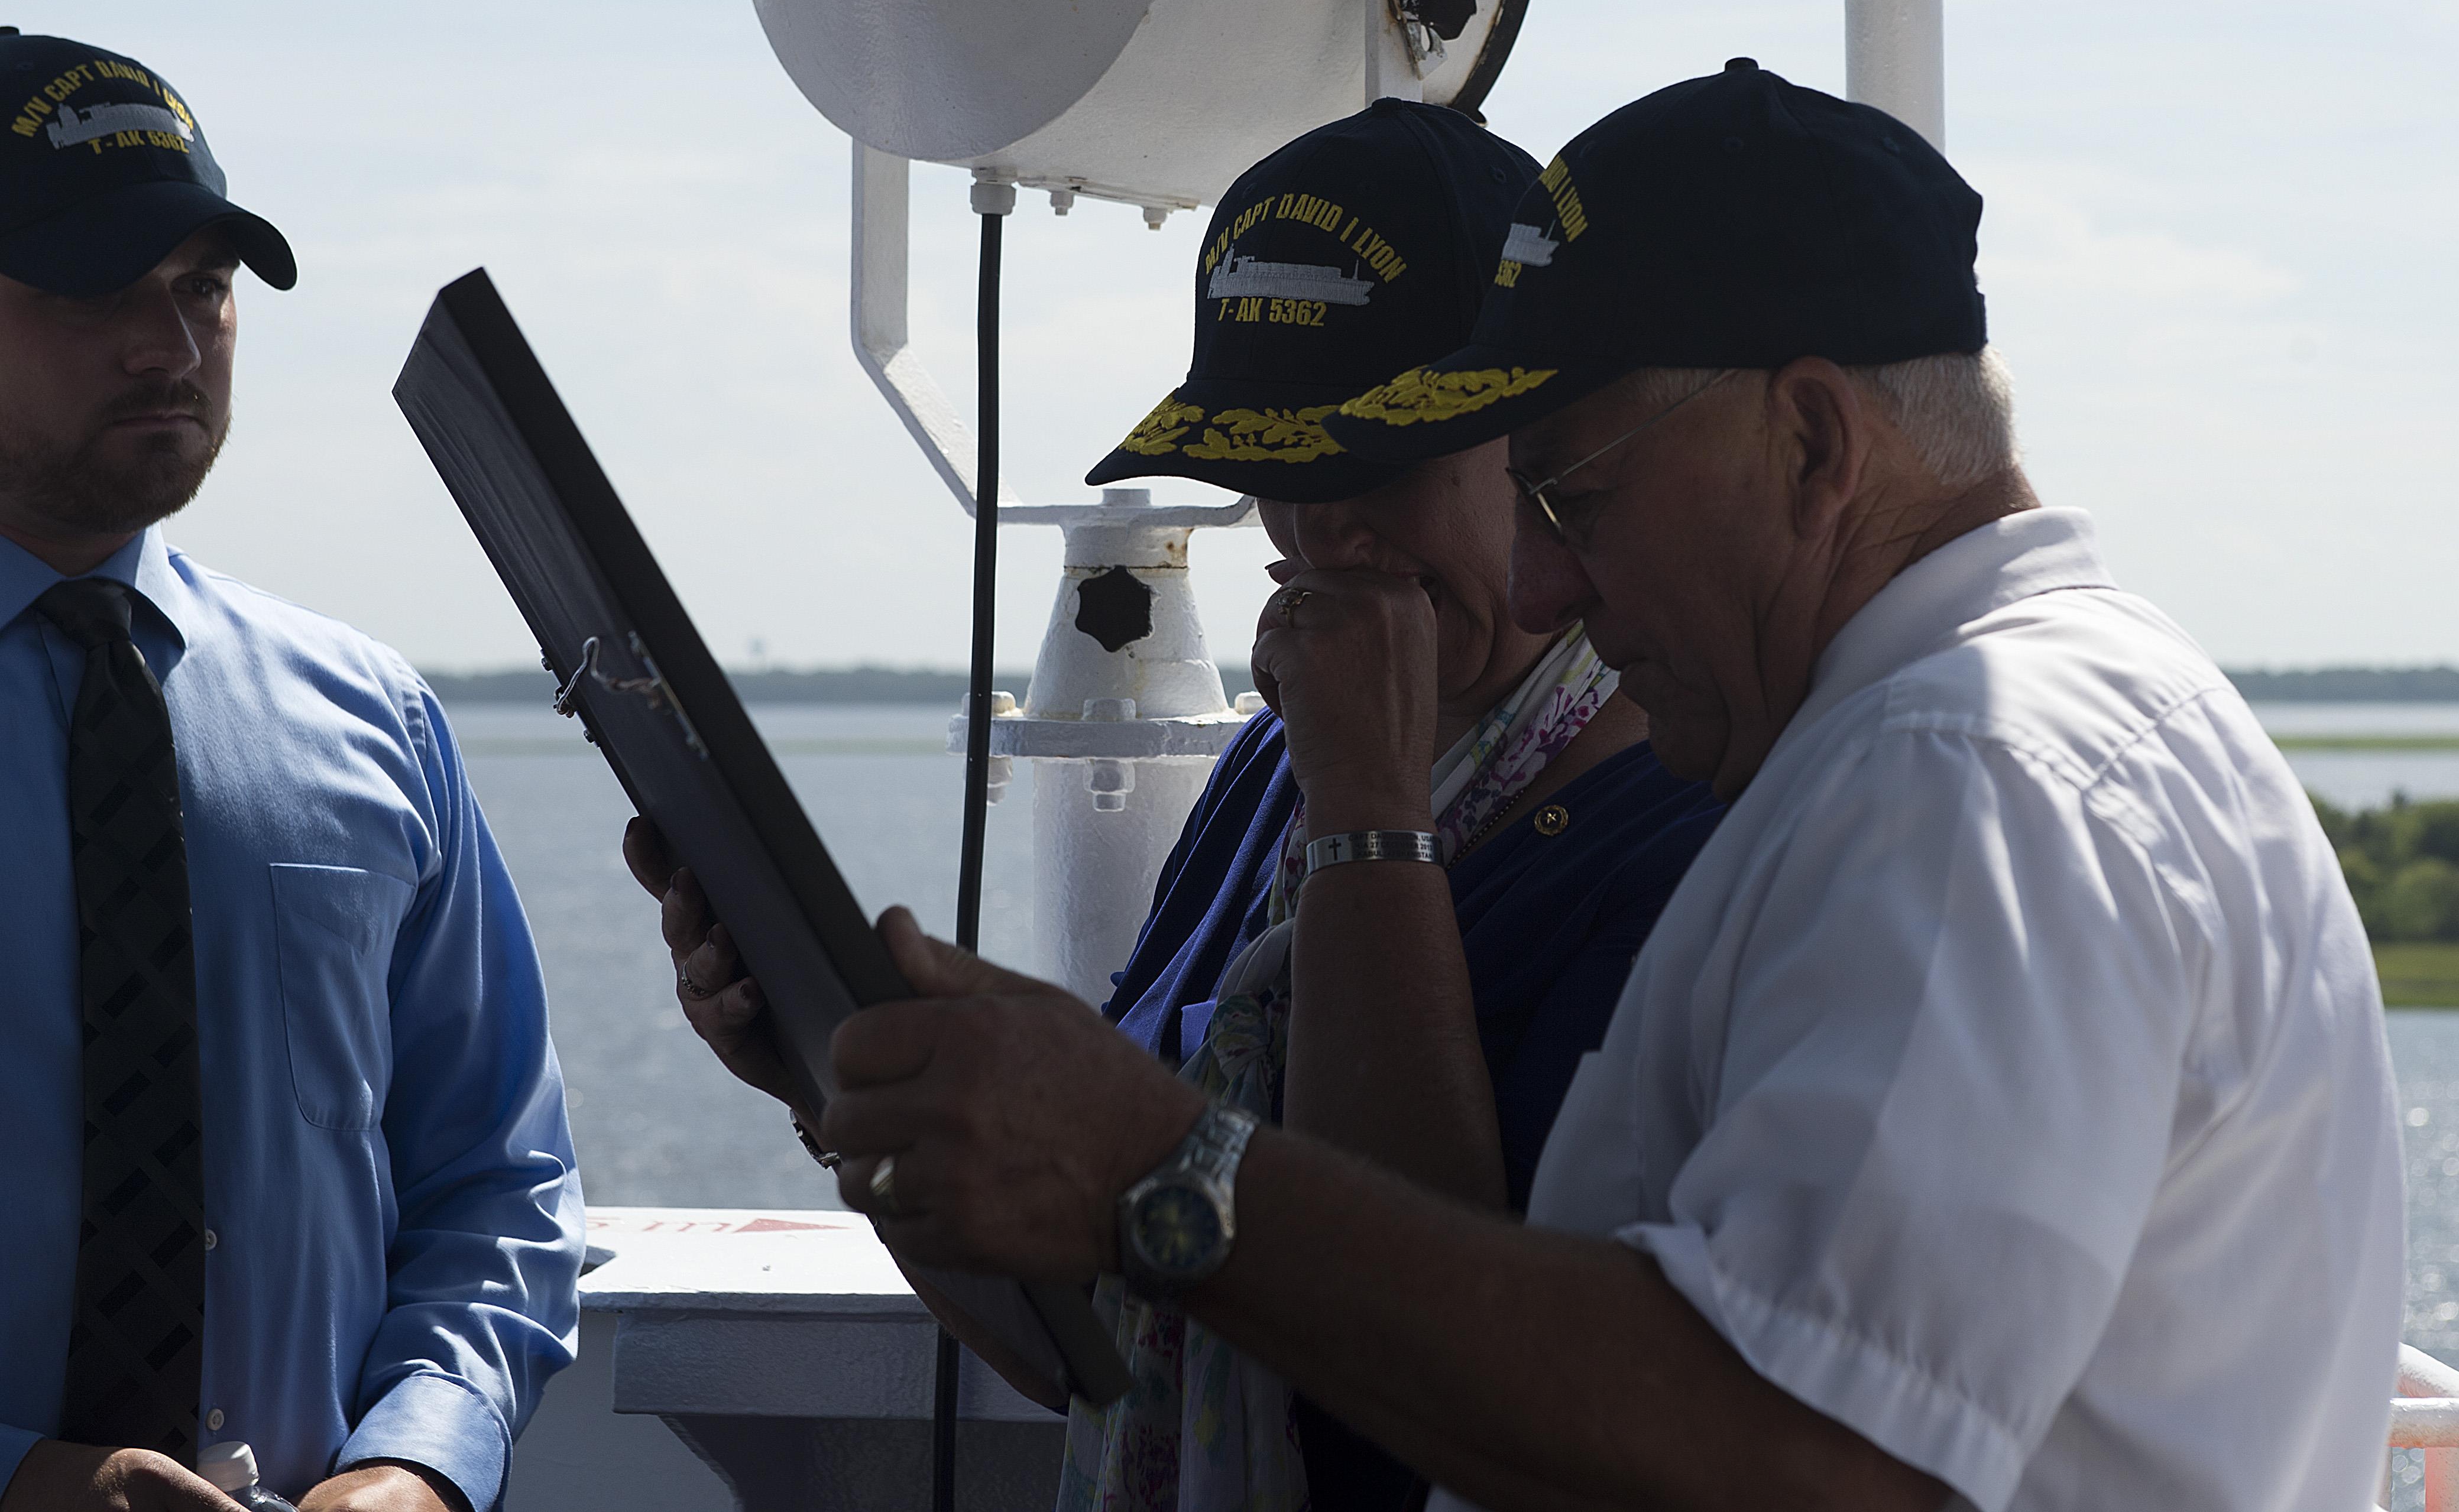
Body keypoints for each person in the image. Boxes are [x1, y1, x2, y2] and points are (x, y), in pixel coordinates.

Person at [801, 62, 2409, 1511]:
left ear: (1809, 440)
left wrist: (1168, 1169)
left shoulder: (1971, 773)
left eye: (1575, 492)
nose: (1550, 581)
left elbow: (1803, 1454)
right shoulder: (1953, 745)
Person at [630, 98, 1723, 1510]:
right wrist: (825, 1074)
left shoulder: (1678, 838)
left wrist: (1372, 815)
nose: (1325, 531)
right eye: (1275, 470)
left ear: (1534, 427)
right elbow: (1093, 1325)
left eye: (1373, 461)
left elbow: (1409, 1368)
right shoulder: (1271, 782)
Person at [0, 33, 582, 1512]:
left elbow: (498, 1176)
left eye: (202, 286)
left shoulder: (369, 715)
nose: (172, 344)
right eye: (94, 285)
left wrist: (416, 1461)